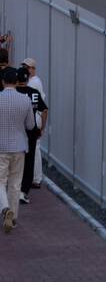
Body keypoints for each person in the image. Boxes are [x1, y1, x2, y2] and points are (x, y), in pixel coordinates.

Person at [0, 65, 34, 234]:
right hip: (19, 146)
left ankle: (5, 208)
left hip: (1, 147)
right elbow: (30, 125)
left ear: (3, 82)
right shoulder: (25, 100)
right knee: (15, 183)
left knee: (0, 181)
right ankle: (12, 220)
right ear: (17, 81)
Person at [16, 63, 46, 205]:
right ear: (28, 78)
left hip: (16, 131)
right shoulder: (34, 93)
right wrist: (42, 128)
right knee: (29, 161)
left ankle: (13, 189)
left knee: (15, 160)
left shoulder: (13, 93)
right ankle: (24, 191)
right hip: (32, 131)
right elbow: (44, 110)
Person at [21, 59, 45, 189]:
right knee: (34, 148)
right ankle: (35, 177)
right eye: (24, 66)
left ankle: (36, 178)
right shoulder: (34, 81)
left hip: (35, 117)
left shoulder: (34, 83)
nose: (25, 69)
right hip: (34, 116)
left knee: (34, 148)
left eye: (27, 67)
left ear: (33, 69)